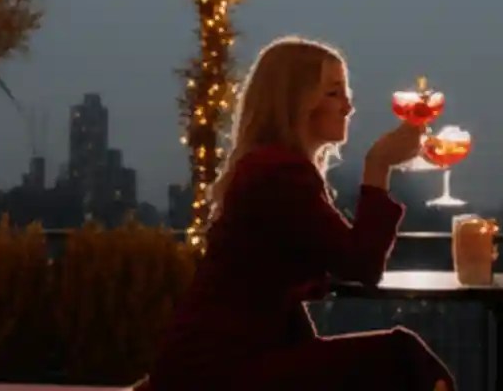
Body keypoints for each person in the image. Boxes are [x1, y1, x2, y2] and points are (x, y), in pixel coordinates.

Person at [146, 36, 455, 391]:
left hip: (221, 363)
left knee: (390, 359)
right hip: (221, 370)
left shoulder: (271, 168)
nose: (348, 106)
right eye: (333, 92)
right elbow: (362, 264)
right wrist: (378, 165)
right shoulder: (277, 174)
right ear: (295, 102)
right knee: (401, 358)